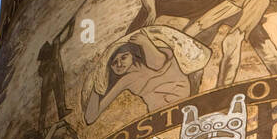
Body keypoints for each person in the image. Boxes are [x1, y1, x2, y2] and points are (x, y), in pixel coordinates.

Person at [82, 26, 210, 123]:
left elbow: (157, 64)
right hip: (161, 116)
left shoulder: (160, 53)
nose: (119, 64)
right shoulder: (127, 79)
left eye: (124, 57)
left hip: (183, 103)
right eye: (114, 63)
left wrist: (145, 42)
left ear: (133, 54)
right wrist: (98, 85)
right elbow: (90, 117)